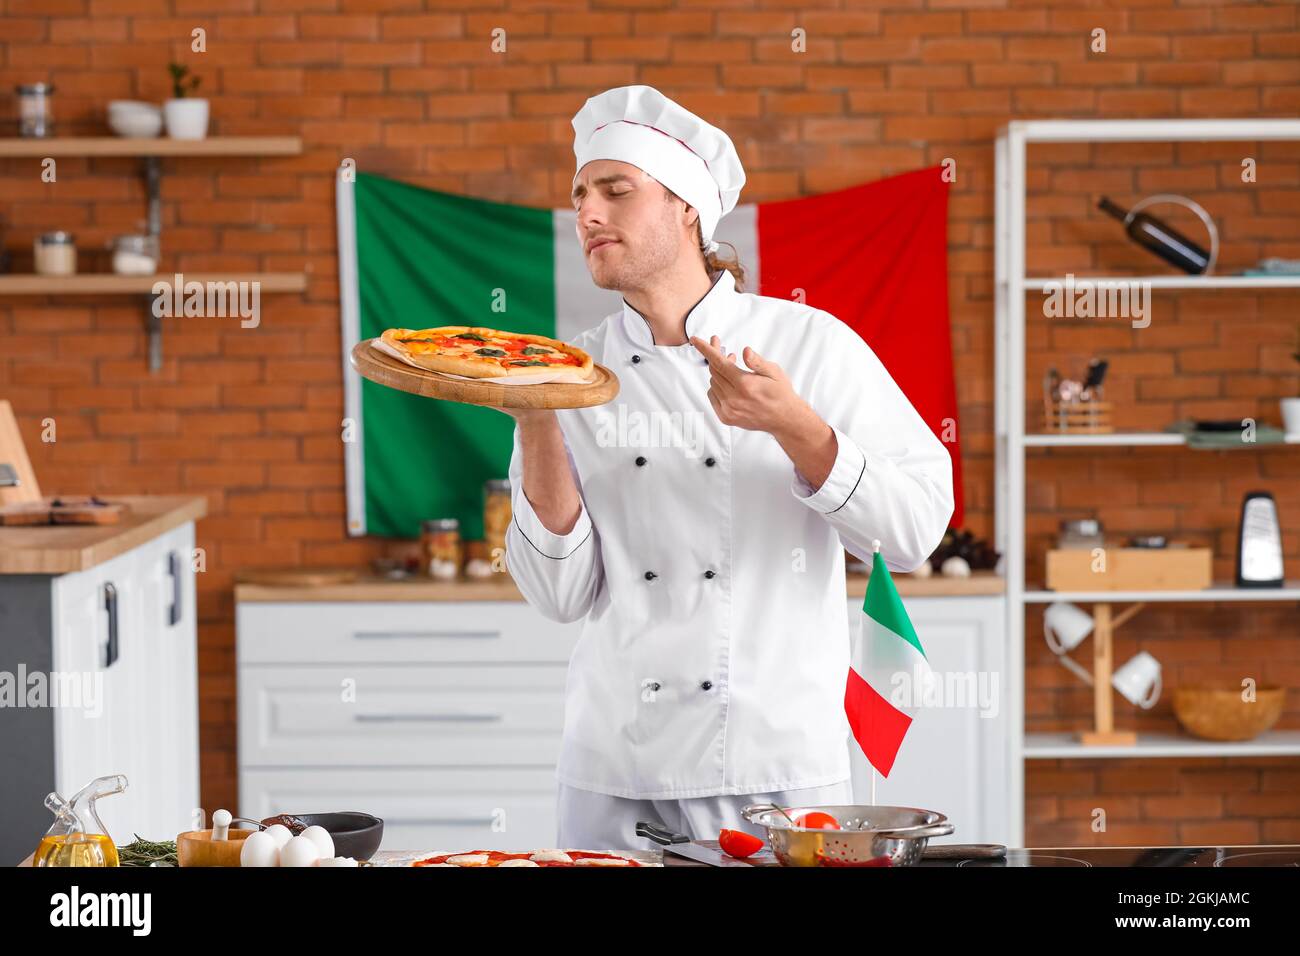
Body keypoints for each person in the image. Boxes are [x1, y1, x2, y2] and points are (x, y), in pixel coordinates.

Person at [499, 85, 954, 850]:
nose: (587, 214)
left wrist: (795, 426)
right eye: (579, 195)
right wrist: (535, 418)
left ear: (687, 209)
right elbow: (557, 595)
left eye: (616, 191)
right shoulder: (565, 373)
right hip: (613, 768)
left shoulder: (813, 345)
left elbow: (916, 532)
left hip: (774, 766)